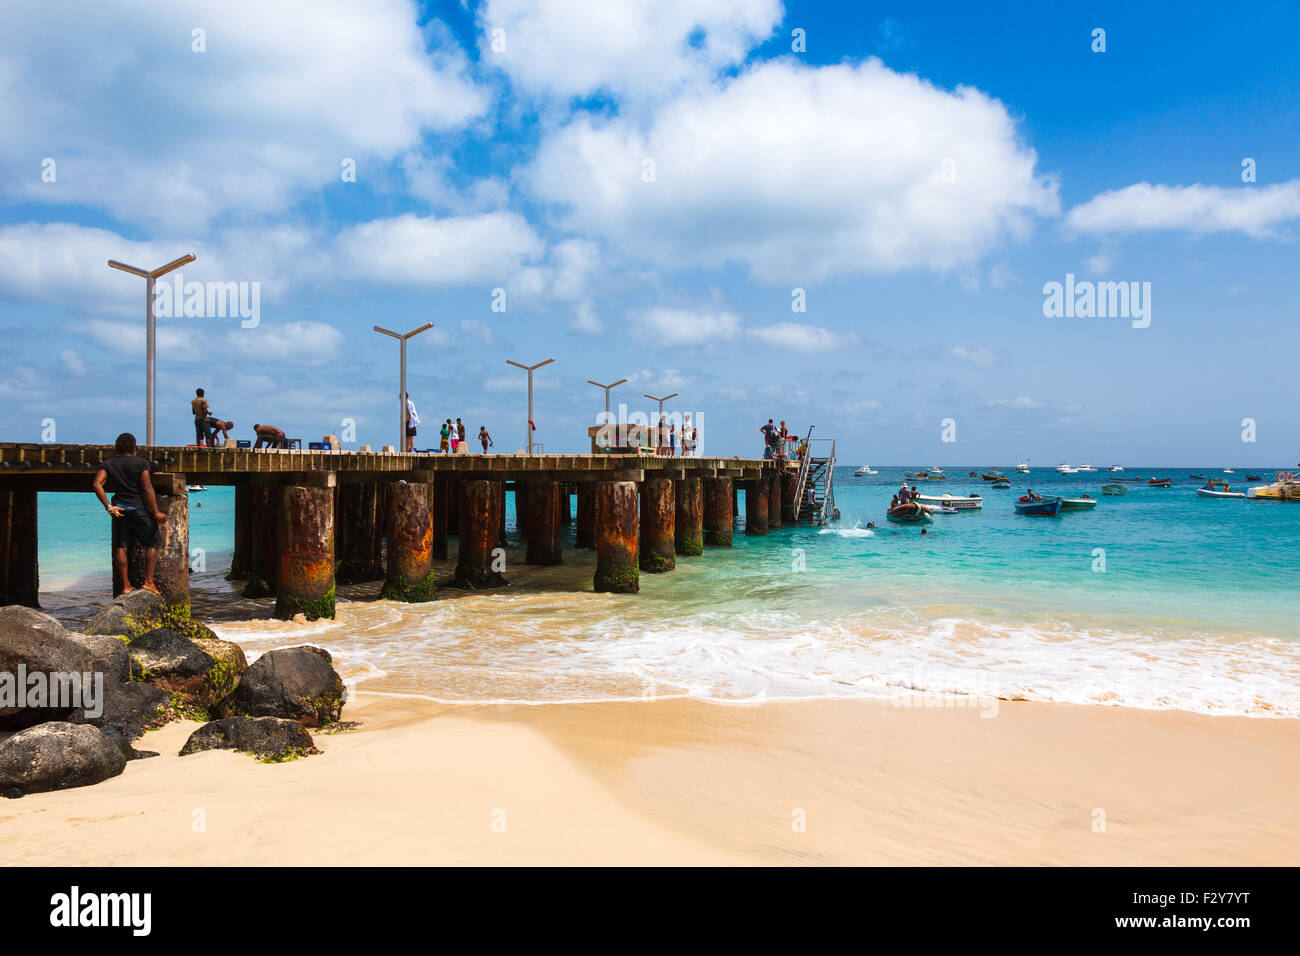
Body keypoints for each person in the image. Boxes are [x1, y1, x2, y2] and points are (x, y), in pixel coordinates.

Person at [92, 432, 168, 595]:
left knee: (121, 547)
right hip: (138, 509)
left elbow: (97, 484)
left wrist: (108, 506)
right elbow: (147, 487)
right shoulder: (141, 463)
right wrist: (155, 512)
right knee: (152, 544)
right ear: (134, 447)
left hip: (119, 510)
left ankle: (126, 586)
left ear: (117, 447)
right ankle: (148, 582)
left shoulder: (109, 464)